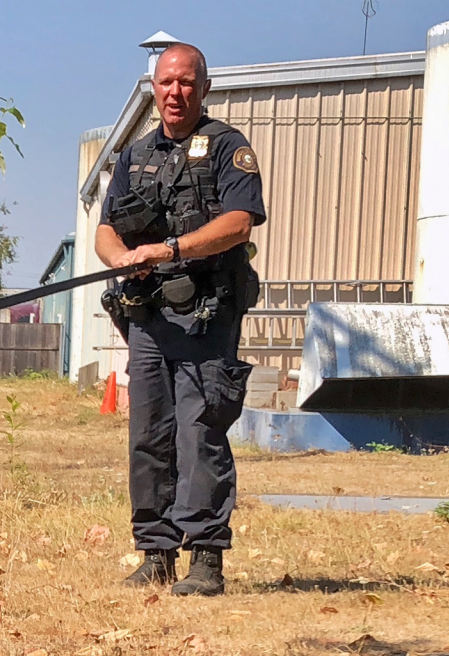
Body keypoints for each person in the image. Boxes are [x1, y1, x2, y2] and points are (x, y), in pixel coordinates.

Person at [95, 42, 265, 597]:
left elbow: (239, 224)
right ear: (153, 90)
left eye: (187, 82)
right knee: (149, 436)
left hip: (207, 315)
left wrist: (169, 249)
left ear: (204, 88)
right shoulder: (134, 155)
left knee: (200, 434)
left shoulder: (227, 148)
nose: (176, 92)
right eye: (167, 83)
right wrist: (120, 257)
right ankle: (156, 552)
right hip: (147, 318)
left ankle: (207, 559)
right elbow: (104, 231)